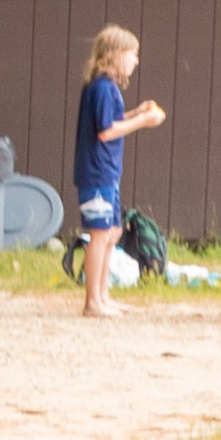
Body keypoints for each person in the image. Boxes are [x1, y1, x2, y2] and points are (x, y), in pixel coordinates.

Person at [76, 25, 163, 323]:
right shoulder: (102, 87)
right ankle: (92, 301)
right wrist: (144, 122)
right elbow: (106, 131)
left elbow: (112, 120)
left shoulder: (106, 87)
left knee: (111, 232)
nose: (135, 61)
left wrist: (137, 112)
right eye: (132, 54)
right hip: (97, 172)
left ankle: (103, 296)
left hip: (106, 172)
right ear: (114, 54)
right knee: (100, 235)